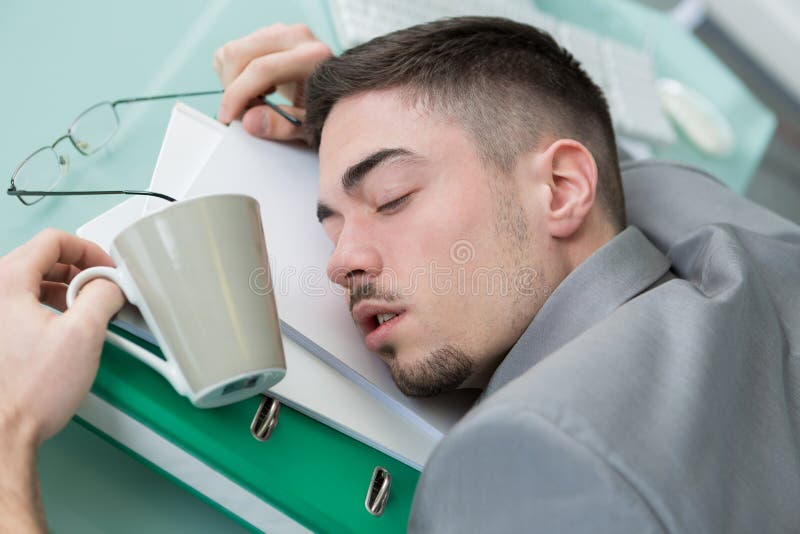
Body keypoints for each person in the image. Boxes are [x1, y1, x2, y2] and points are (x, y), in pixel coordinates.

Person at [2, 16, 799, 533]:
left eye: (390, 196)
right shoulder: (742, 244)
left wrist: (9, 438)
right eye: (334, 221)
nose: (342, 260)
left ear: (563, 187)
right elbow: (621, 168)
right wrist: (372, 114)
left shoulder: (527, 469)